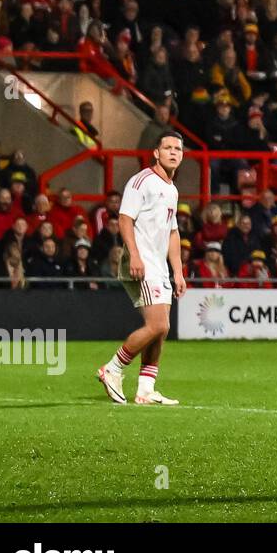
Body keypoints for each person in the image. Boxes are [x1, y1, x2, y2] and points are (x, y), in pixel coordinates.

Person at [98, 132, 186, 406]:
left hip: (158, 265)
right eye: (167, 147)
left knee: (162, 328)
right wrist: (134, 255)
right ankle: (112, 369)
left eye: (178, 149)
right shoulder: (142, 181)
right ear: (156, 153)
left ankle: (146, 389)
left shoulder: (171, 189)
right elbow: (125, 219)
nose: (173, 152)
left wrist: (179, 271)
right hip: (142, 261)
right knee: (157, 324)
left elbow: (173, 233)